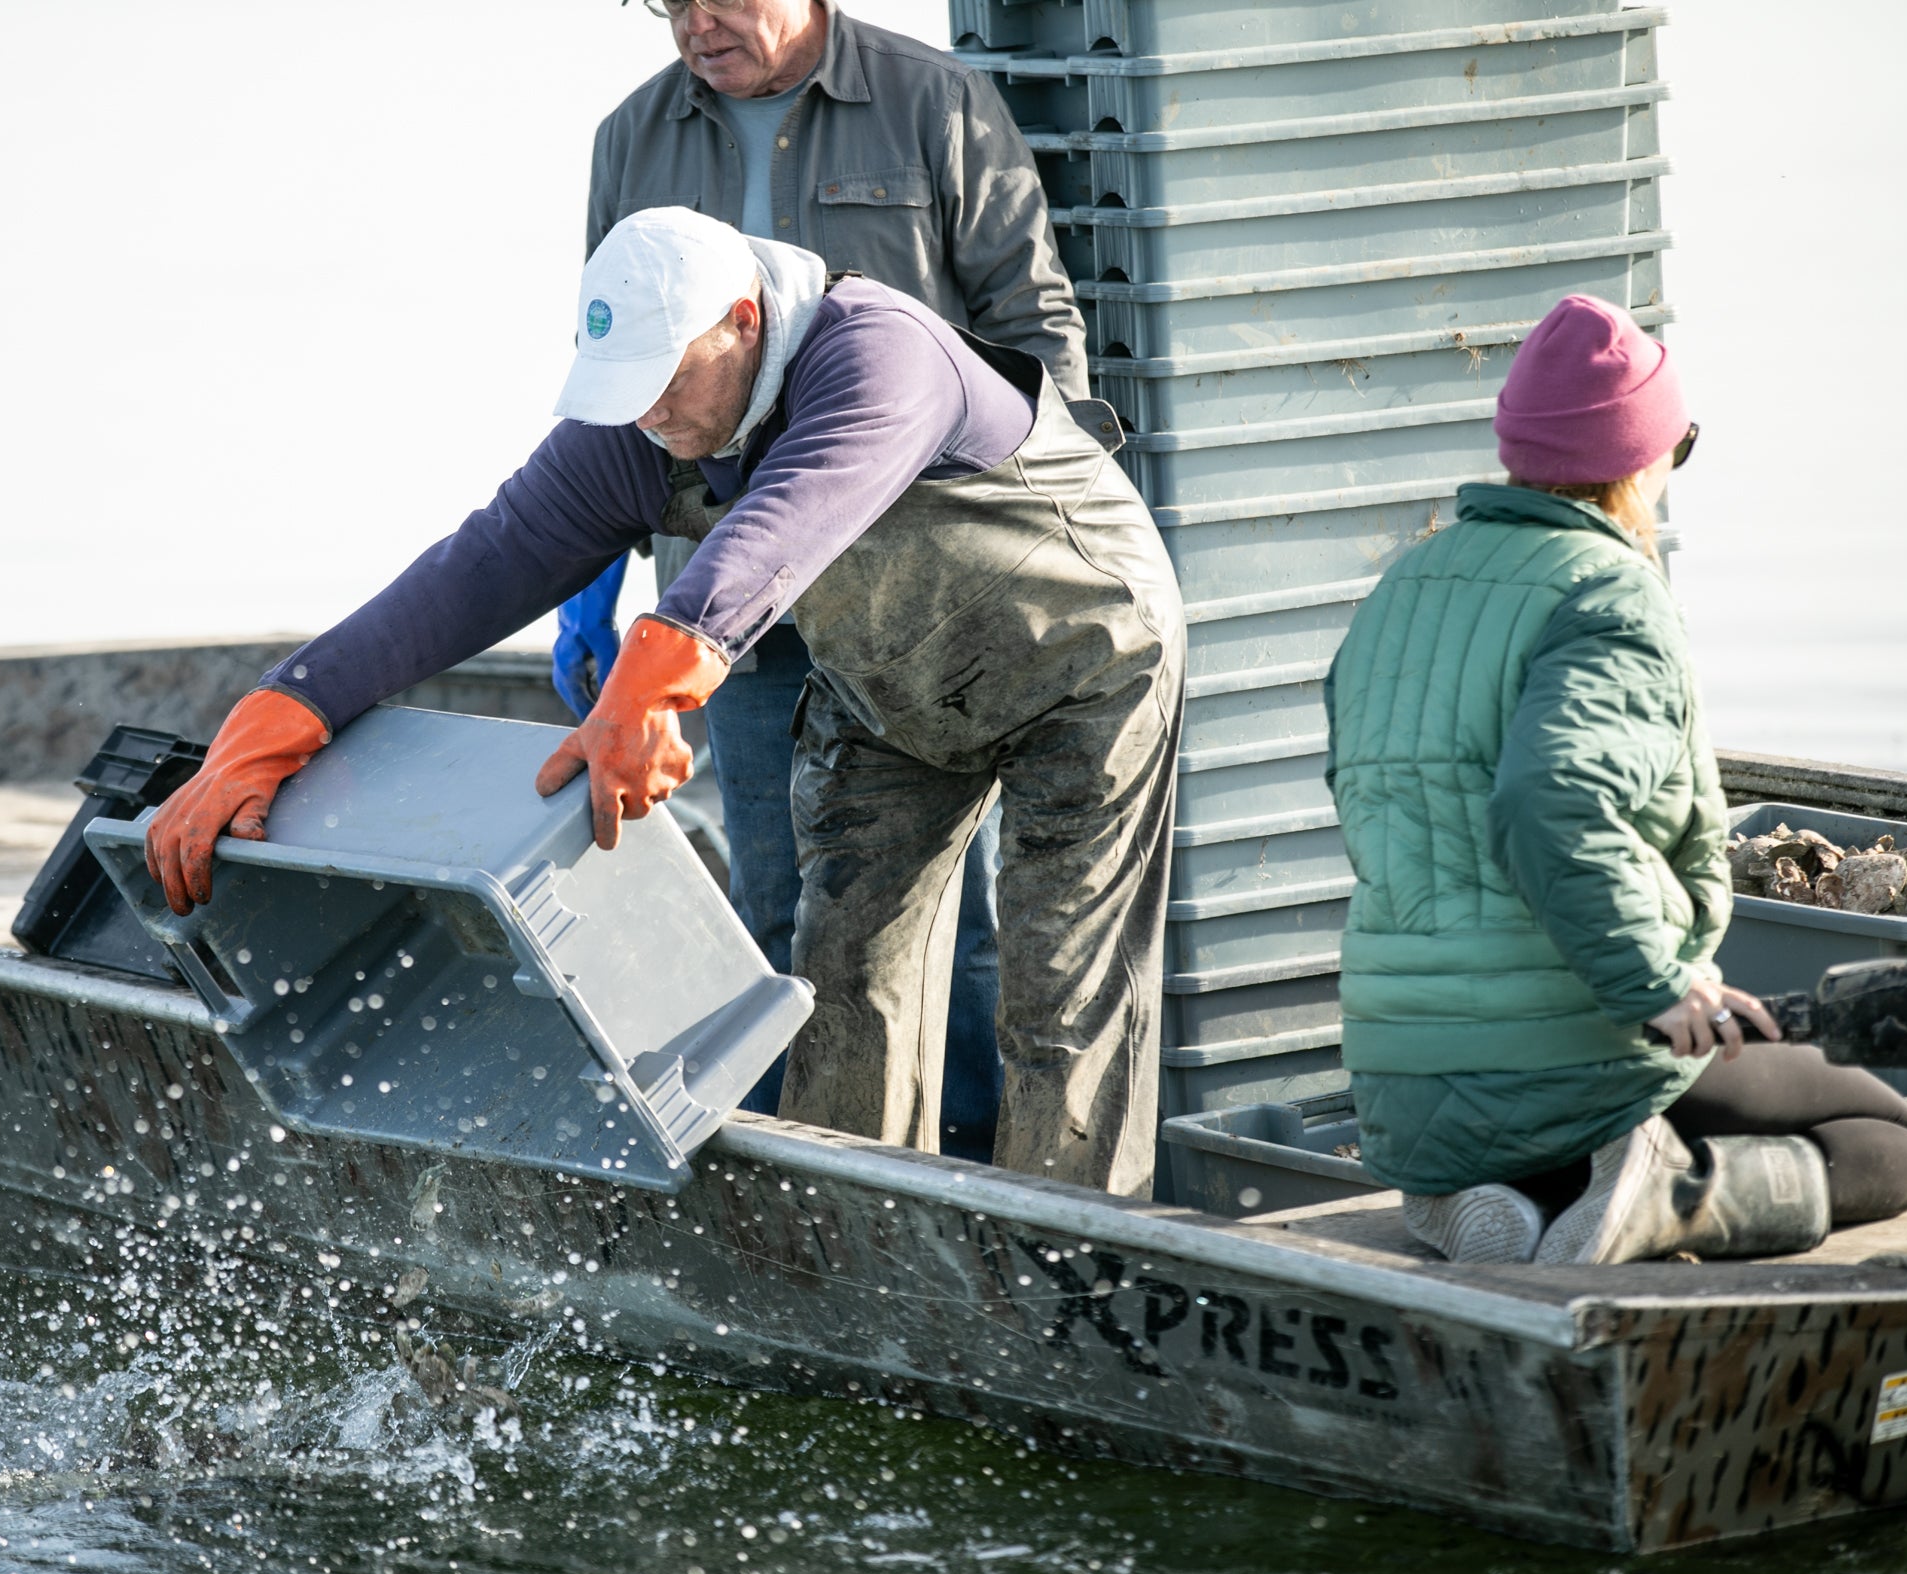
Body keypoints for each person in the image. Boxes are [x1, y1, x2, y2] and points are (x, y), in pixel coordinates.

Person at [146, 208, 1184, 1195]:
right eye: (627, 387)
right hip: (888, 688)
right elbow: (483, 564)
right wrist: (282, 716)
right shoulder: (646, 426)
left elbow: (780, 524)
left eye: (668, 379)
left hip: (1077, 663)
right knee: (842, 978)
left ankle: (1073, 1269)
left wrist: (646, 685)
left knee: (1060, 993)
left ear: (743, 321)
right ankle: (857, 1243)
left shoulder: (880, 356)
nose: (649, 412)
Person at [555, 0, 1094, 1145]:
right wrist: (589, 586)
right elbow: (611, 363)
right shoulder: (629, 137)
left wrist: (1043, 536)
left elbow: (1033, 325)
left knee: (952, 913)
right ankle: (808, 1174)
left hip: (921, 599)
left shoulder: (936, 103)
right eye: (666, 1)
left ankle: (967, 1168)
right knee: (779, 905)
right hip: (732, 610)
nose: (694, 22)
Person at [1325, 295, 1907, 1266]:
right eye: (1677, 444)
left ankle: (1483, 1199)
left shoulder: (1406, 587)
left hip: (1402, 1079)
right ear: (1639, 458)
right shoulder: (1609, 593)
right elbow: (1548, 801)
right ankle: (1661, 1200)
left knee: (1562, 1121)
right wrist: (1656, 981)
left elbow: (1385, 810)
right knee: (1889, 1141)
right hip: (1569, 1056)